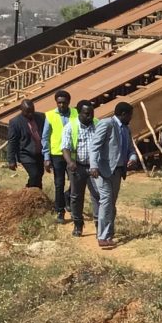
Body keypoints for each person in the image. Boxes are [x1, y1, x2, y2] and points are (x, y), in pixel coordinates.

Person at [90, 101, 137, 249]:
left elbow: (131, 149)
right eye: (130, 115)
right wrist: (93, 165)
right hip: (103, 170)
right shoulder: (107, 124)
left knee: (111, 202)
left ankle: (108, 234)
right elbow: (94, 146)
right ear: (123, 114)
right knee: (106, 201)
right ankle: (102, 236)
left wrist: (133, 158)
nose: (131, 118)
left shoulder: (126, 129)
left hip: (118, 171)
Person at [41, 90, 79, 220]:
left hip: (72, 153)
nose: (61, 105)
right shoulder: (50, 115)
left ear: (69, 102)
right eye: (59, 103)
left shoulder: (75, 113)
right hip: (57, 154)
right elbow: (45, 137)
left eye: (64, 103)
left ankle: (70, 201)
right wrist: (46, 157)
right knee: (59, 183)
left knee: (75, 182)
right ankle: (60, 211)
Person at [68, 100, 98, 237]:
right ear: (79, 113)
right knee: (76, 196)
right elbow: (65, 147)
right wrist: (70, 162)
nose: (90, 116)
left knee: (97, 195)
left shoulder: (98, 125)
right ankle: (78, 224)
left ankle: (99, 225)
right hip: (77, 166)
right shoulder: (71, 126)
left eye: (92, 113)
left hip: (94, 168)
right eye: (86, 113)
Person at [5, 99, 45, 189]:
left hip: (39, 153)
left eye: (32, 111)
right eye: (27, 112)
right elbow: (12, 142)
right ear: (21, 110)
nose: (30, 114)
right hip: (25, 153)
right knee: (34, 174)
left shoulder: (41, 117)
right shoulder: (15, 122)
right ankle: (30, 192)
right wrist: (11, 160)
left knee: (39, 175)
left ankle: (33, 192)